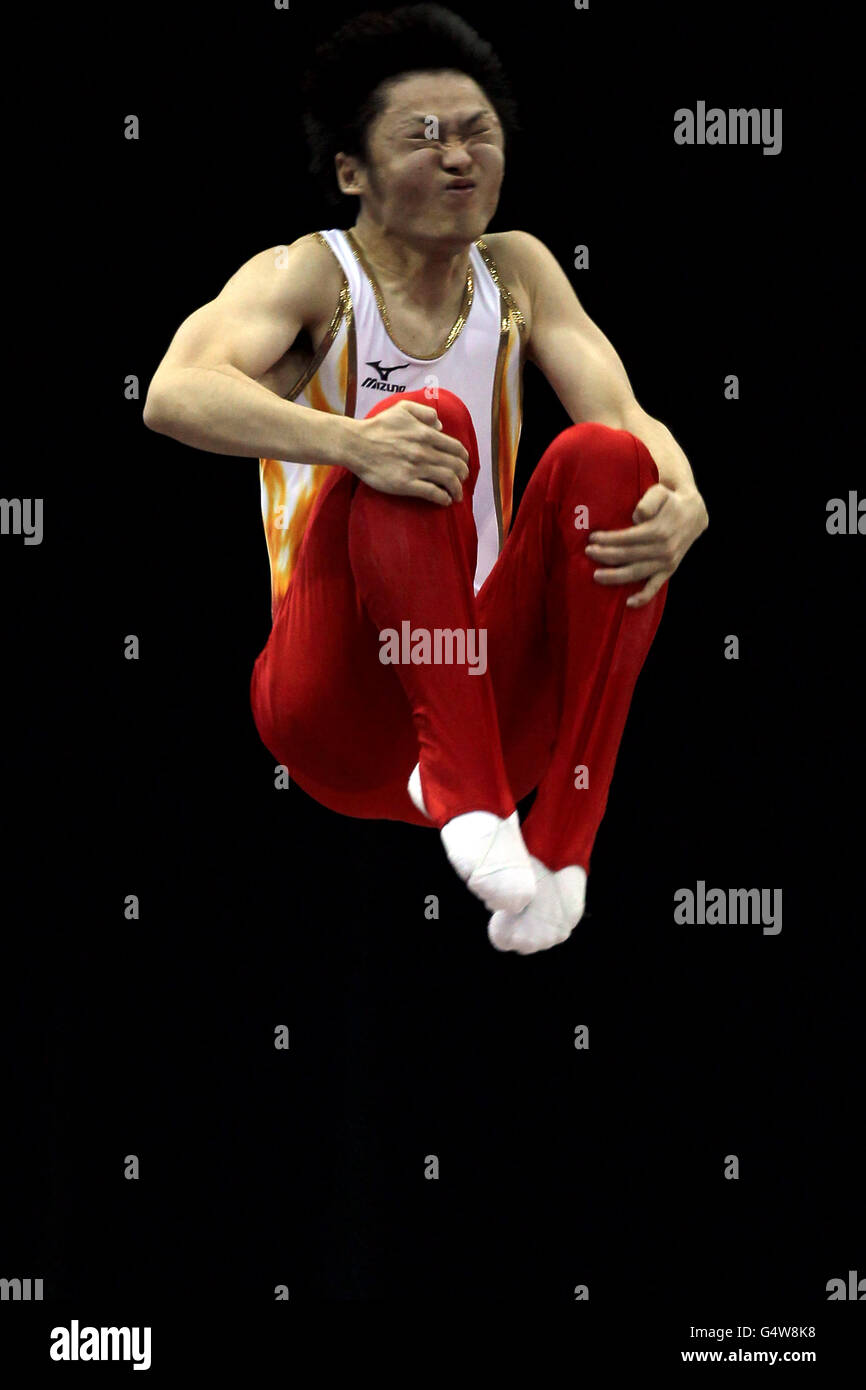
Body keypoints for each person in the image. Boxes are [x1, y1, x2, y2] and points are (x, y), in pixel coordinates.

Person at [143, 4, 709, 955]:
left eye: (478, 133)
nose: (460, 157)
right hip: (334, 707)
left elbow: (625, 416)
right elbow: (172, 395)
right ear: (350, 173)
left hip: (492, 715)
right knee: (425, 429)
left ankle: (563, 847)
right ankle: (461, 790)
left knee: (613, 465)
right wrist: (347, 442)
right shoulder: (309, 275)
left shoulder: (520, 270)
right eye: (424, 137)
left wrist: (687, 499)